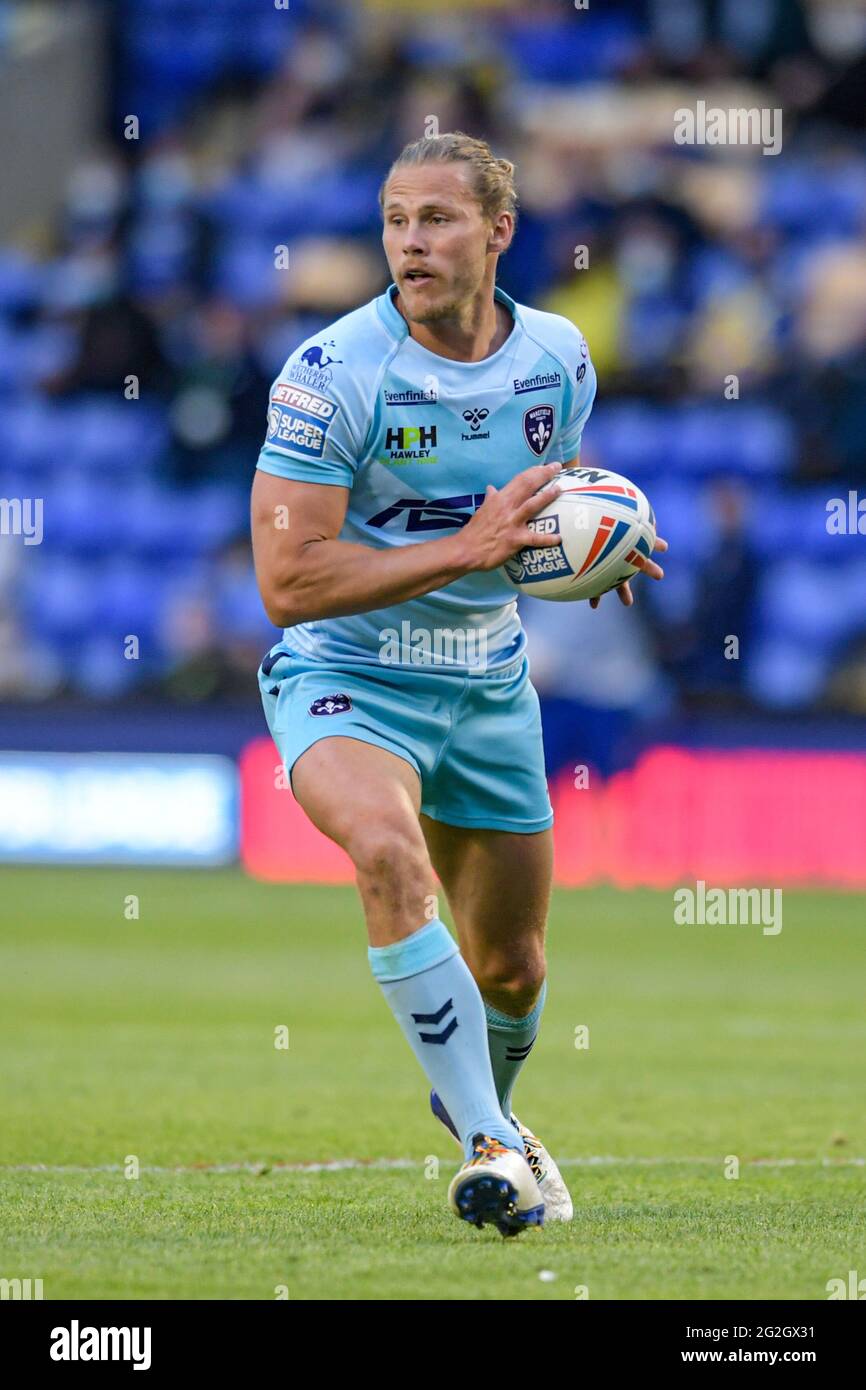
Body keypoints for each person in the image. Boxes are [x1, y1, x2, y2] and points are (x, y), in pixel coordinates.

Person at [250, 132, 666, 1237]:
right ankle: (490, 1141)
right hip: (347, 675)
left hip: (485, 685)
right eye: (393, 219)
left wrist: (596, 552)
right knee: (388, 857)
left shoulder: (558, 357)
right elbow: (287, 581)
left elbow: (544, 504)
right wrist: (470, 546)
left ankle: (485, 1105)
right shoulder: (333, 374)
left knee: (515, 970)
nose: (409, 243)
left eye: (434, 219)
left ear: (498, 231)